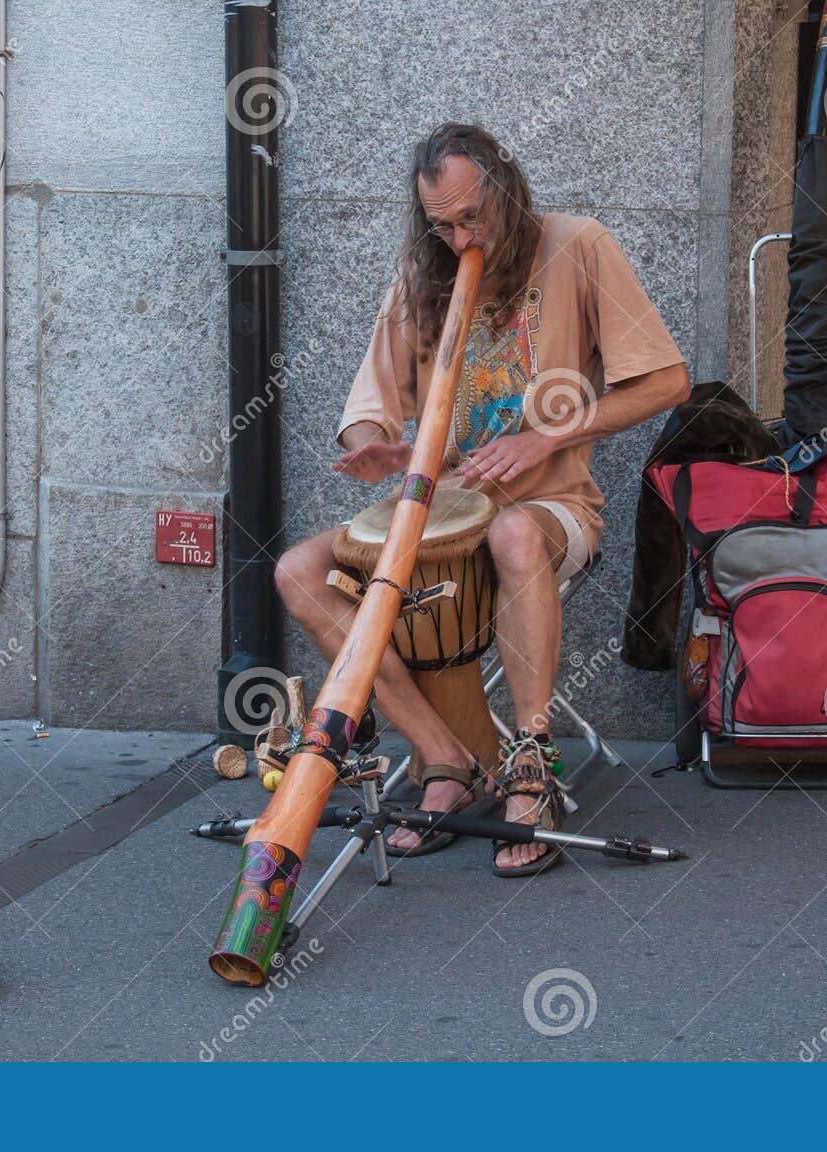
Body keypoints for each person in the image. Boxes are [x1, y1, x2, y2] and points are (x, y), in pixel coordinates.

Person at [274, 123, 690, 876]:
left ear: (506, 190)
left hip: (553, 503)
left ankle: (530, 762)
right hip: (444, 508)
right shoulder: (423, 275)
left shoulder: (577, 246)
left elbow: (667, 382)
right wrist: (380, 447)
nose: (462, 238)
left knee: (510, 539)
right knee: (298, 573)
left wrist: (547, 438)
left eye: (474, 218)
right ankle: (448, 760)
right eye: (443, 224)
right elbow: (371, 404)